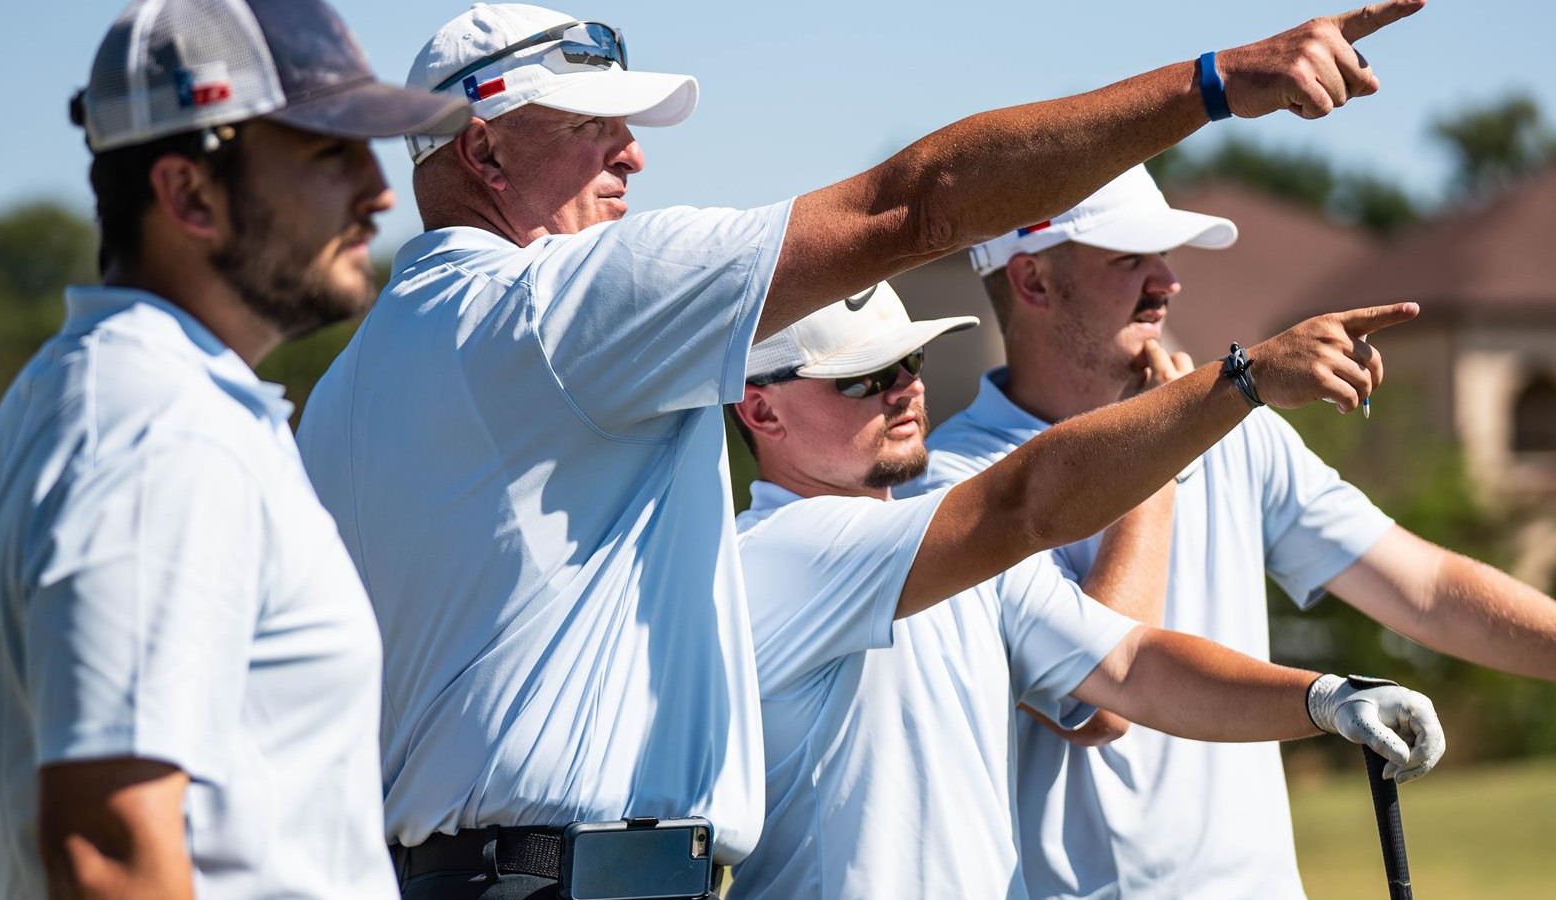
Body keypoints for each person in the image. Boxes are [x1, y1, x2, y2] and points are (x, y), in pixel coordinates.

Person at [293, 2, 1429, 896]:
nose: (632, 159)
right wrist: (1213, 85)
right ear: (485, 152)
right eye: (594, 127)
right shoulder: (554, 309)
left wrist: (1320, 694)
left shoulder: (348, 389)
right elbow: (919, 204)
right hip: (575, 881)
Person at [920, 164, 1556, 899]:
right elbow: (1106, 702)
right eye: (1129, 258)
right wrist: (1162, 447)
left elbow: (1426, 590)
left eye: (1165, 255)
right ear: (1032, 282)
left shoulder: (1238, 435)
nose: (1168, 281)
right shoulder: (955, 489)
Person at [0, 1, 469, 896]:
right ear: (188, 193)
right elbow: (112, 851)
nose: (379, 189)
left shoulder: (87, 395)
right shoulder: (162, 429)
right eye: (328, 149)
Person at [726, 282, 1443, 899]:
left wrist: (1326, 699)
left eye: (910, 360)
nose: (906, 387)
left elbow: (1129, 669)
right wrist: (1239, 382)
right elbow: (1022, 503)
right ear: (761, 412)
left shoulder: (951, 556)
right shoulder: (777, 555)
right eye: (863, 377)